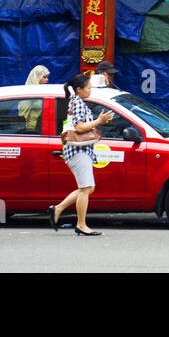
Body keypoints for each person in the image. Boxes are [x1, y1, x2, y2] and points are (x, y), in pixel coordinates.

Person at [50, 73, 114, 236]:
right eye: (89, 88)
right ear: (79, 89)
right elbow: (79, 128)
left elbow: (83, 125)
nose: (90, 90)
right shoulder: (77, 102)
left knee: (88, 187)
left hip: (81, 150)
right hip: (78, 151)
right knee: (86, 188)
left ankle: (58, 209)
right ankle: (81, 224)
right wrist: (98, 122)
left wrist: (99, 121)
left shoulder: (77, 102)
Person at [21, 65, 51, 130]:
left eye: (47, 77)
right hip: (32, 130)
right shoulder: (30, 93)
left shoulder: (45, 92)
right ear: (36, 77)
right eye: (44, 77)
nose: (47, 80)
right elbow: (23, 115)